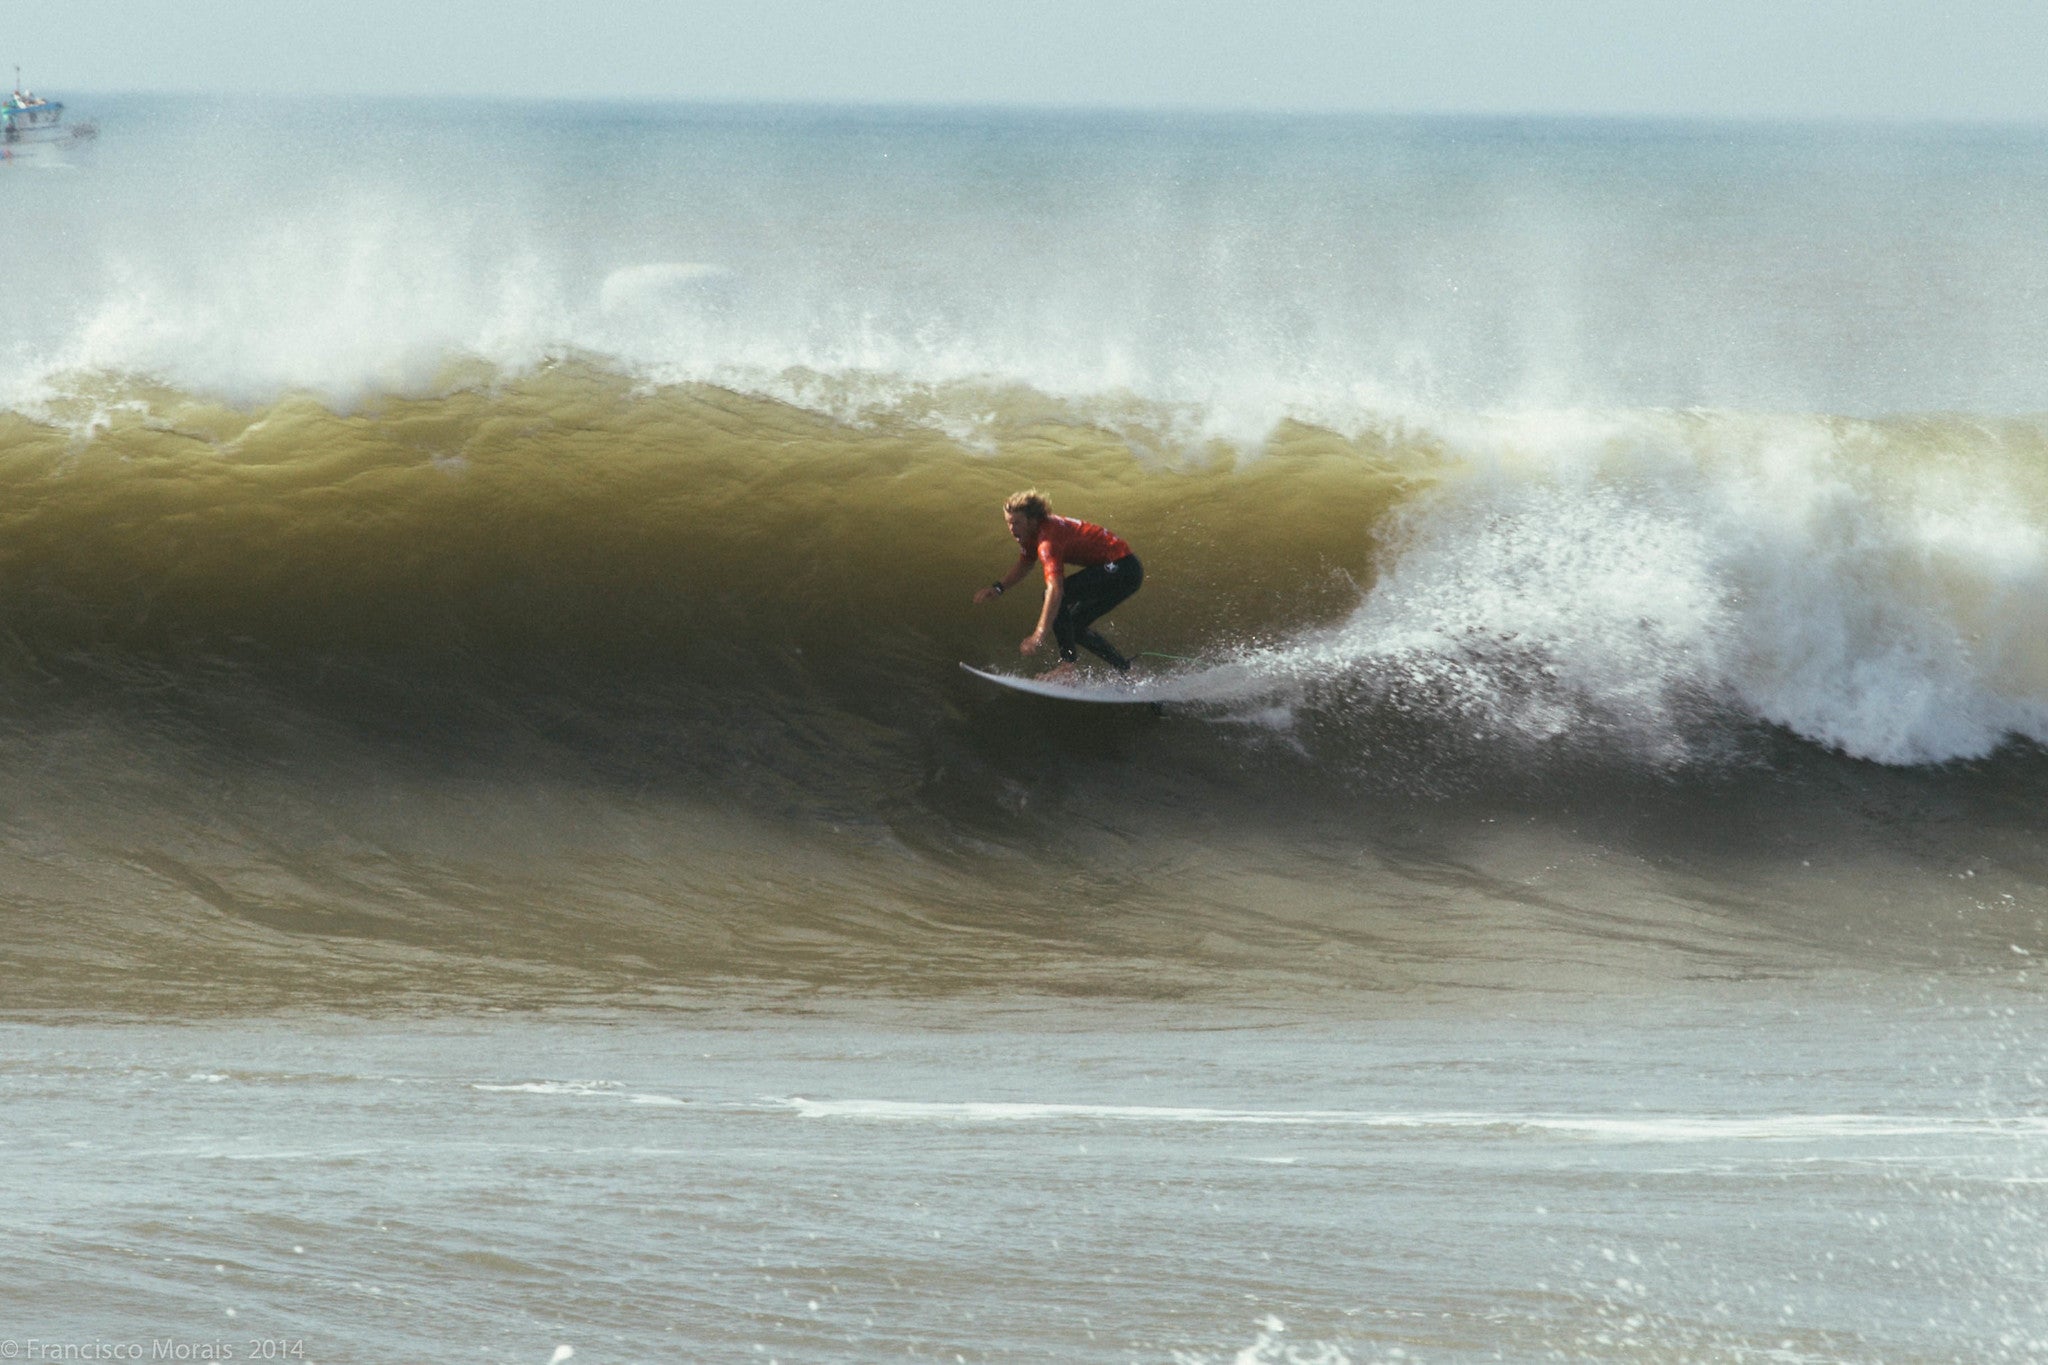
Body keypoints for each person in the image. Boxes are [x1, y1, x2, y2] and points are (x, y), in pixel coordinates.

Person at [973, 490, 1143, 674]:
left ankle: (1067, 665)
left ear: (1032, 520)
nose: (1012, 528)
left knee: (1052, 596)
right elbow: (1026, 563)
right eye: (1009, 522)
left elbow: (1056, 590)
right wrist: (999, 588)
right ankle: (1127, 670)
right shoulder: (1031, 534)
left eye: (1017, 523)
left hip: (1123, 568)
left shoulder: (1047, 540)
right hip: (1123, 570)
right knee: (1075, 625)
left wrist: (1038, 635)